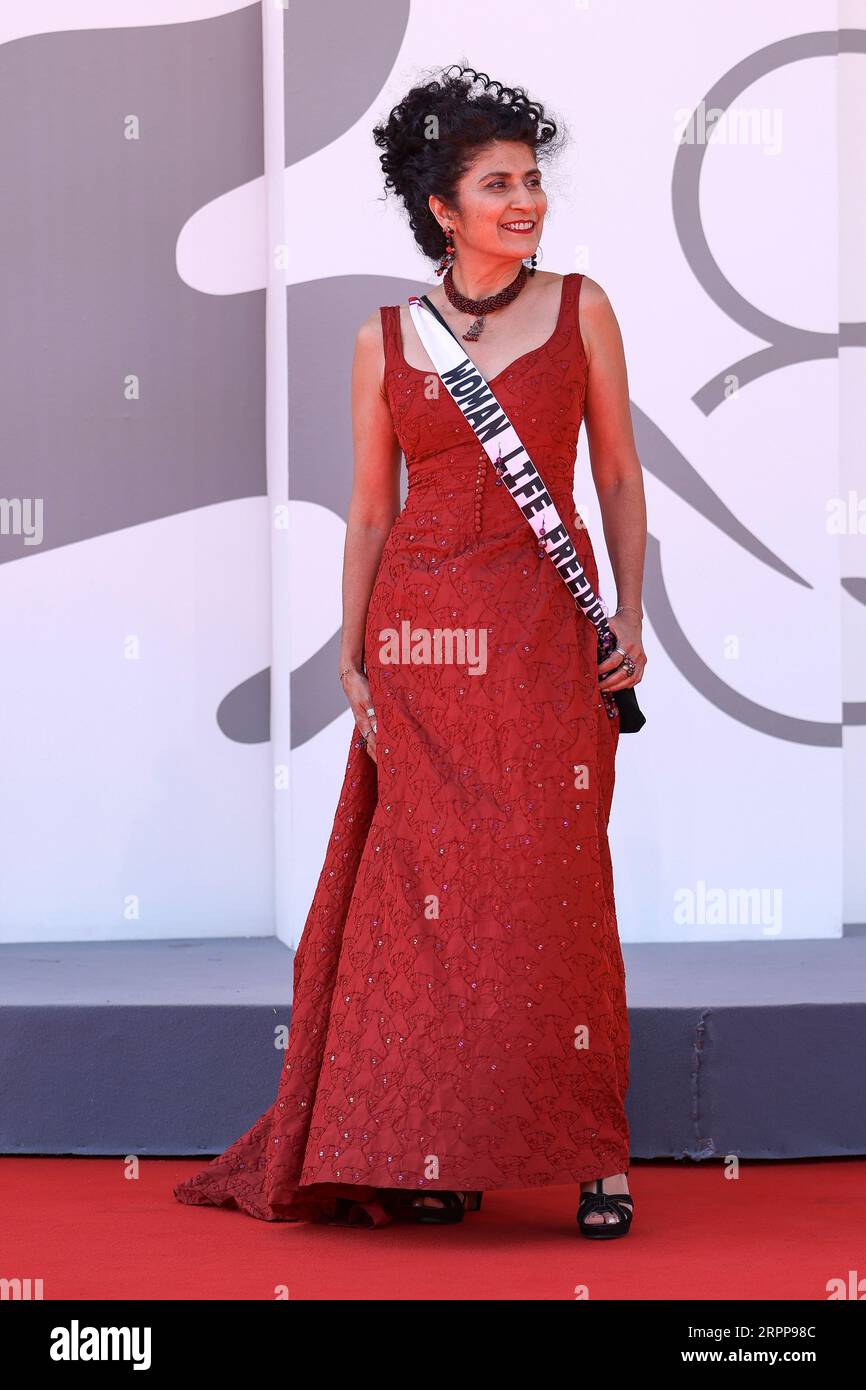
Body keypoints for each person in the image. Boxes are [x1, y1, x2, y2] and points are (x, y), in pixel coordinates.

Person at [173, 63, 647, 1238]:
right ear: (443, 207)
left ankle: (597, 1156)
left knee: (553, 887)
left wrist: (628, 616)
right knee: (433, 910)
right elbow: (371, 510)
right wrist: (351, 650)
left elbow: (619, 478)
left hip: (543, 638)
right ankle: (439, 1144)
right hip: (421, 648)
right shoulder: (384, 338)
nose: (525, 201)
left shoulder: (583, 306)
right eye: (498, 184)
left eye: (532, 180)